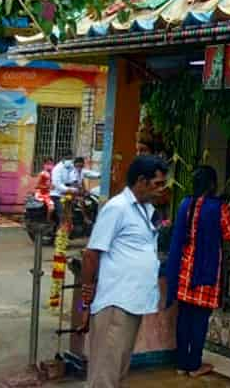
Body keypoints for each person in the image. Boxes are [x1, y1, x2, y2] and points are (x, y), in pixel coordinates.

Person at [80, 155, 169, 388]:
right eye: (157, 184)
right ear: (141, 181)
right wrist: (86, 298)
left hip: (132, 302)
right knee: (104, 375)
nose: (162, 189)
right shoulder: (117, 208)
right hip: (115, 302)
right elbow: (91, 254)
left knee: (117, 371)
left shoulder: (144, 210)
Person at [161, 167, 230, 377]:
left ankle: (182, 363)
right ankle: (194, 365)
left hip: (184, 272)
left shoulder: (184, 204)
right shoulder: (218, 207)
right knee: (199, 320)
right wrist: (228, 207)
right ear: (212, 185)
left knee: (184, 317)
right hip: (205, 273)